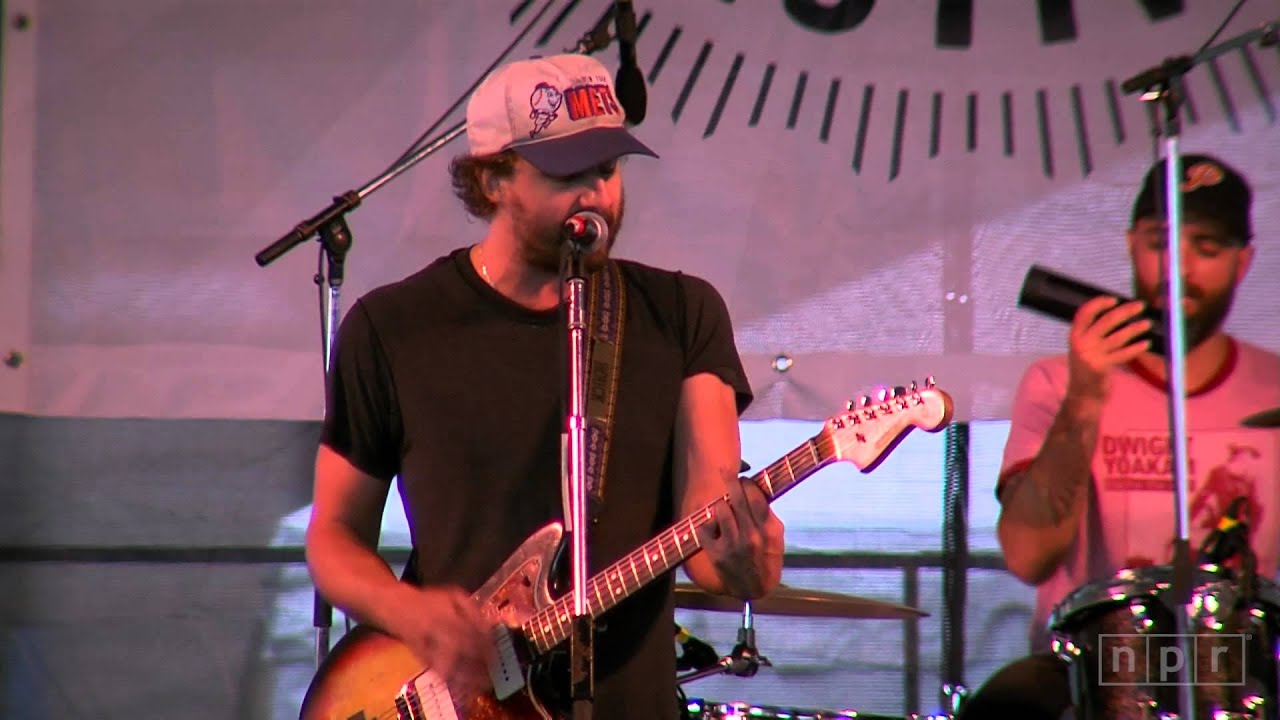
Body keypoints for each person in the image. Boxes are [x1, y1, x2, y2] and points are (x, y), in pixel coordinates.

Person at [303, 53, 785, 719]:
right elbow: (334, 535)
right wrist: (413, 616)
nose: (598, 194)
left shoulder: (681, 314)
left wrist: (746, 561)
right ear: (494, 178)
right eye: (568, 173)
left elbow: (710, 531)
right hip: (454, 698)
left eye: (608, 169)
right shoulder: (393, 327)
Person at [959, 154, 1280, 719]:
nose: (1179, 268)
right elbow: (1028, 555)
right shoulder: (1057, 382)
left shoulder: (1272, 389)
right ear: (1132, 244)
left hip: (1237, 668)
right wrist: (1086, 395)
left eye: (1205, 249)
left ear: (1243, 260)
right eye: (1161, 243)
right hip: (1088, 672)